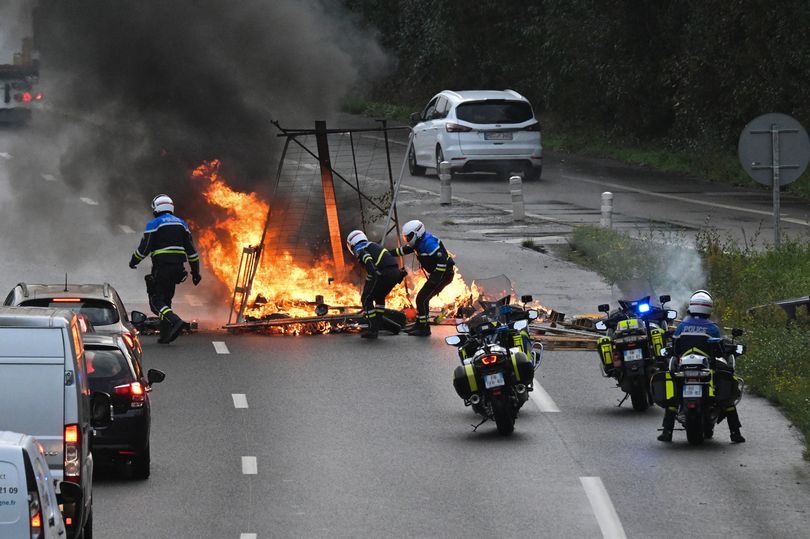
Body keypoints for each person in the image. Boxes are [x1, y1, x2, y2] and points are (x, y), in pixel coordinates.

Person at [657, 290, 745, 443]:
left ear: (691, 306)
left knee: (674, 397)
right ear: (709, 308)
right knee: (727, 388)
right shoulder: (712, 328)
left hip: (684, 367)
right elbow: (719, 350)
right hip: (707, 368)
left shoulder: (682, 326)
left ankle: (667, 431)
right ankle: (735, 433)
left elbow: (675, 348)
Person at [129, 194, 201, 344]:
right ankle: (166, 335)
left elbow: (145, 248)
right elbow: (192, 252)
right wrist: (196, 272)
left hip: (162, 267)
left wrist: (133, 261)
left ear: (156, 208)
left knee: (156, 301)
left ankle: (175, 321)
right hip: (178, 269)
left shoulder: (154, 224)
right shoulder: (183, 224)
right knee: (166, 299)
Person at [392, 220, 454, 336]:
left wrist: (435, 280)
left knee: (422, 299)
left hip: (443, 274)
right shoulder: (418, 242)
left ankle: (424, 329)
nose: (408, 240)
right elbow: (404, 250)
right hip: (438, 274)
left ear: (417, 233)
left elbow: (442, 262)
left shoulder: (429, 243)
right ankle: (420, 325)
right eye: (406, 237)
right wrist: (387, 253)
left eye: (409, 237)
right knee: (422, 299)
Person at [346, 230, 404, 339]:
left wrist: (373, 271)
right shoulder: (373, 245)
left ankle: (373, 329)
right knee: (379, 296)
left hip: (382, 273)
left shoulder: (360, 248)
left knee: (366, 299)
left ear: (352, 244)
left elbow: (367, 258)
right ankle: (380, 321)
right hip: (395, 273)